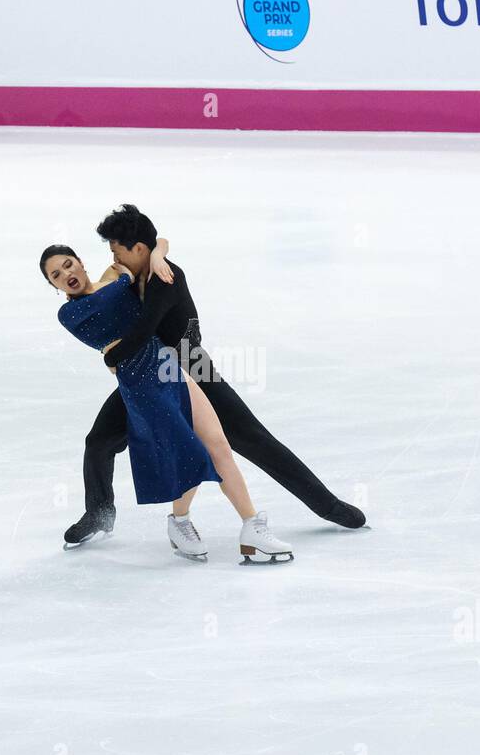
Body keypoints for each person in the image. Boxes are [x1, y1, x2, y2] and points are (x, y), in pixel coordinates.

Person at [63, 204, 367, 548]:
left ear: (137, 249)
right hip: (151, 375)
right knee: (99, 440)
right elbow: (156, 243)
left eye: (117, 250)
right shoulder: (133, 274)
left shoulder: (166, 277)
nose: (114, 258)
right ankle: (99, 513)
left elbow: (145, 330)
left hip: (190, 366)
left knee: (252, 438)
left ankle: (328, 505)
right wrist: (158, 250)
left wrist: (113, 354)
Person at [42, 245, 295, 564]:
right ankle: (175, 521)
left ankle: (248, 528)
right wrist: (125, 277)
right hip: (141, 381)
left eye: (68, 265)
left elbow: (154, 243)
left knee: (217, 445)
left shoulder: (113, 276)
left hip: (167, 363)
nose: (66, 274)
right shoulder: (70, 313)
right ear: (54, 286)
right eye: (56, 275)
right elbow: (107, 297)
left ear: (80, 262)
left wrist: (156, 258)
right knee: (191, 454)